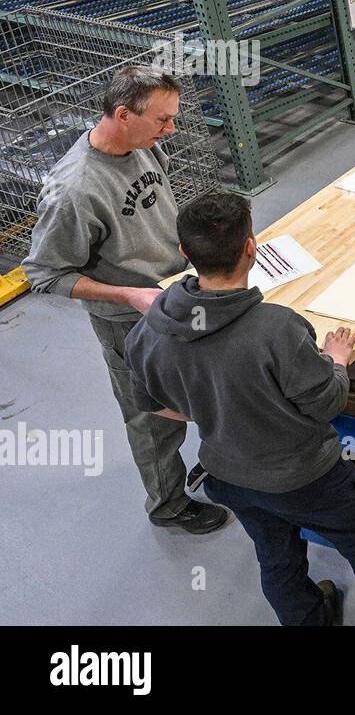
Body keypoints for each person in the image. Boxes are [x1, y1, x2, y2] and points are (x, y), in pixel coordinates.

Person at [124, 192, 355, 626]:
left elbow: (153, 404)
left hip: (228, 475)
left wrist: (213, 409)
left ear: (184, 252)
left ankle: (306, 619)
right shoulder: (276, 328)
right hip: (307, 478)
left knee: (276, 557)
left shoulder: (149, 330)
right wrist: (336, 358)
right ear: (250, 247)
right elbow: (328, 403)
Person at [23, 65, 228, 534]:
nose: (170, 130)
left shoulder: (143, 143)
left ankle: (215, 463)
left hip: (176, 293)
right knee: (152, 417)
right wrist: (128, 293)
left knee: (203, 385)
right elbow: (44, 274)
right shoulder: (73, 192)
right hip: (129, 321)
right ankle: (169, 505)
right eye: (163, 120)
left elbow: (157, 205)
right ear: (122, 115)